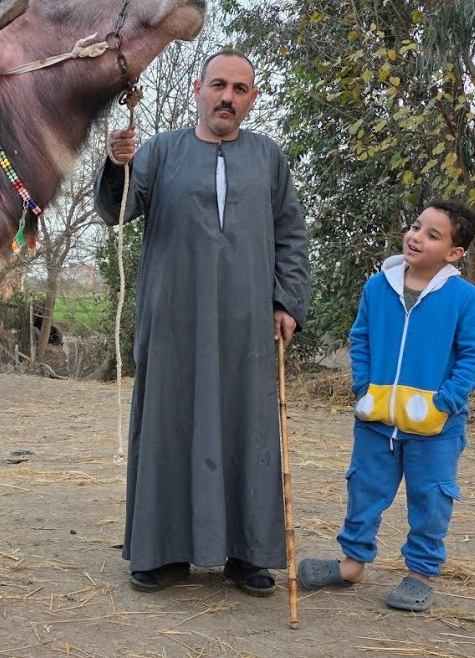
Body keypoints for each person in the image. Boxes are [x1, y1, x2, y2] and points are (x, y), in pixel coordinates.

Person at [94, 49, 310, 597]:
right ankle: (163, 552)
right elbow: (119, 211)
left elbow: (291, 235)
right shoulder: (162, 151)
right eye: (219, 85)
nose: (227, 98)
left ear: (252, 99)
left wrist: (287, 302)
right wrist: (118, 163)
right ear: (197, 89)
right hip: (174, 322)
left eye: (240, 89)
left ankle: (247, 553)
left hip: (246, 324)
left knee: (248, 426)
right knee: (170, 424)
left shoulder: (269, 159)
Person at [298, 199, 475, 612]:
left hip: (436, 427)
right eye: (417, 227)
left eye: (432, 235)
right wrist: (363, 388)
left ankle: (419, 574)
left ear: (454, 252)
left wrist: (445, 403)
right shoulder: (377, 286)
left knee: (431, 498)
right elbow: (361, 338)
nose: (416, 237)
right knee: (363, 489)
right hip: (376, 420)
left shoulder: (464, 298)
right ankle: (352, 564)